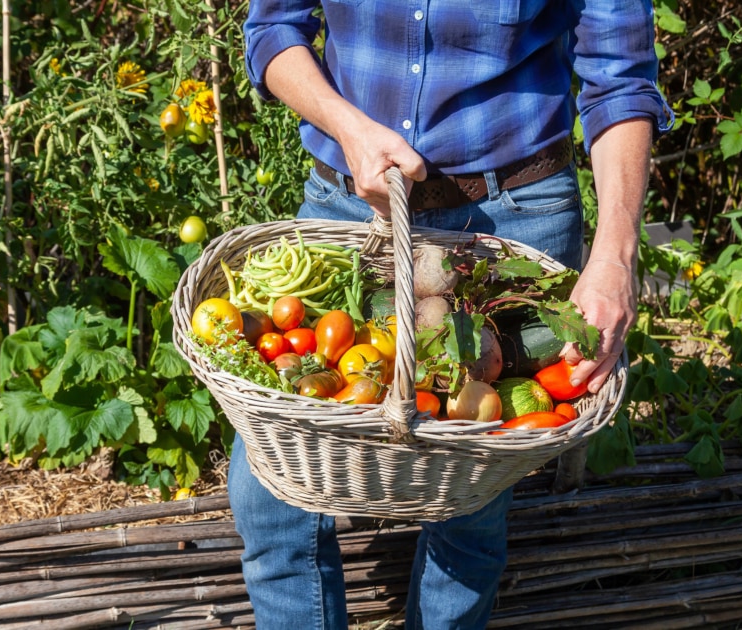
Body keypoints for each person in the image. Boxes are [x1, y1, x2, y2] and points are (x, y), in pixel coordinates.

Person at [229, 1, 674, 627]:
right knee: (271, 494)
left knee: (471, 506)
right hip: (353, 206)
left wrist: (615, 258)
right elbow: (273, 29)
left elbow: (619, 78)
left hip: (512, 217)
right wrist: (348, 127)